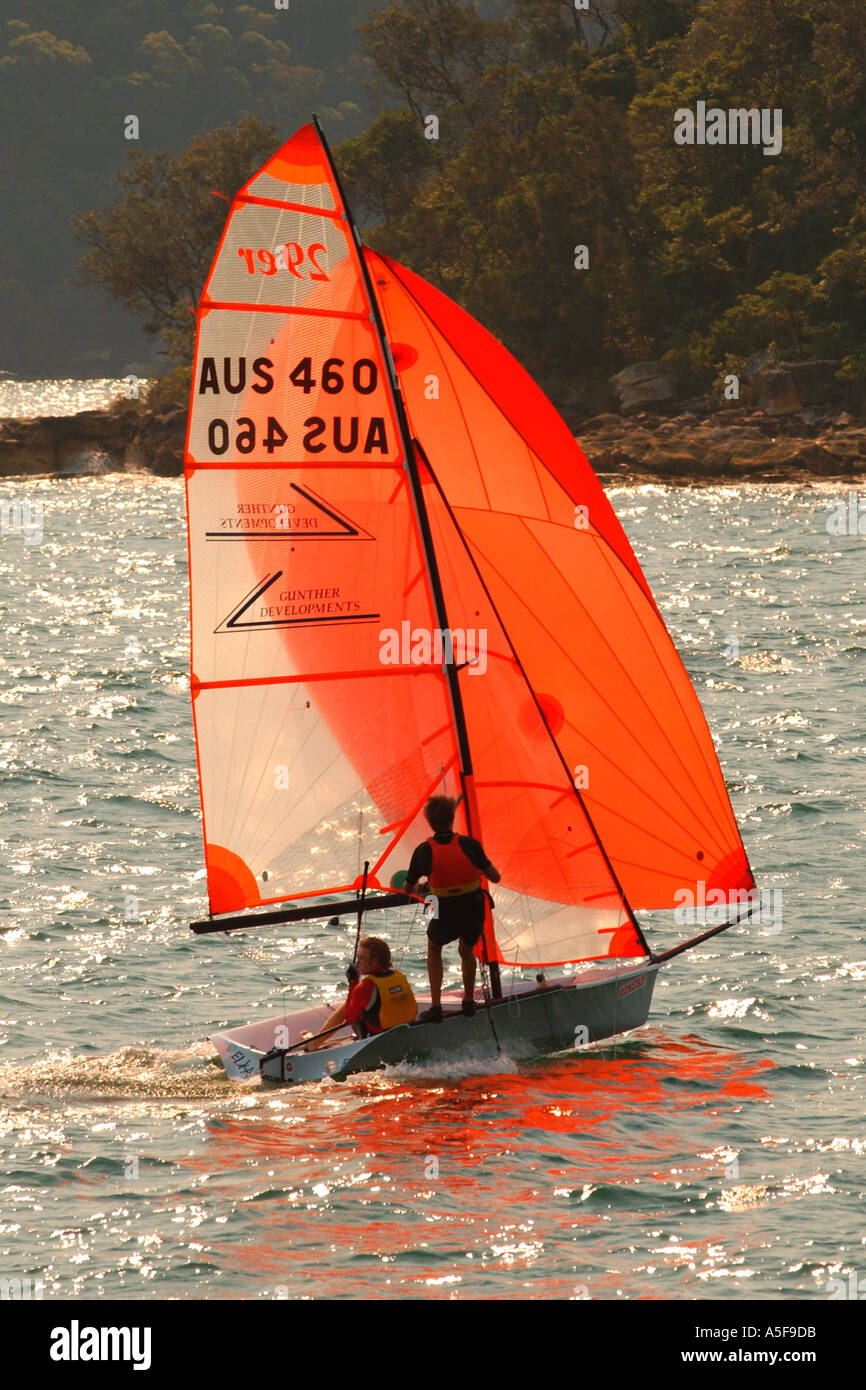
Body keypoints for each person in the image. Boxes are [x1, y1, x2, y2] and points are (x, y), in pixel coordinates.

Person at [405, 795, 501, 1022]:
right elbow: (495, 877)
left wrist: (420, 888)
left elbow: (409, 888)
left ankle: (436, 1006)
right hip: (472, 906)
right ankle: (469, 1001)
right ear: (452, 818)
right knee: (467, 948)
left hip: (443, 907)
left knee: (434, 945)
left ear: (429, 822)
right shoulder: (470, 845)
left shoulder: (423, 851)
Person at [305, 936, 416, 1050]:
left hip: (377, 1041)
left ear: (375, 961)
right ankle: (315, 1041)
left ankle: (313, 1044)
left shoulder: (364, 988)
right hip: (404, 1035)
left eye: (361, 958)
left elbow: (350, 1017)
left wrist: (353, 982)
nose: (357, 963)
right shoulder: (400, 977)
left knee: (346, 1007)